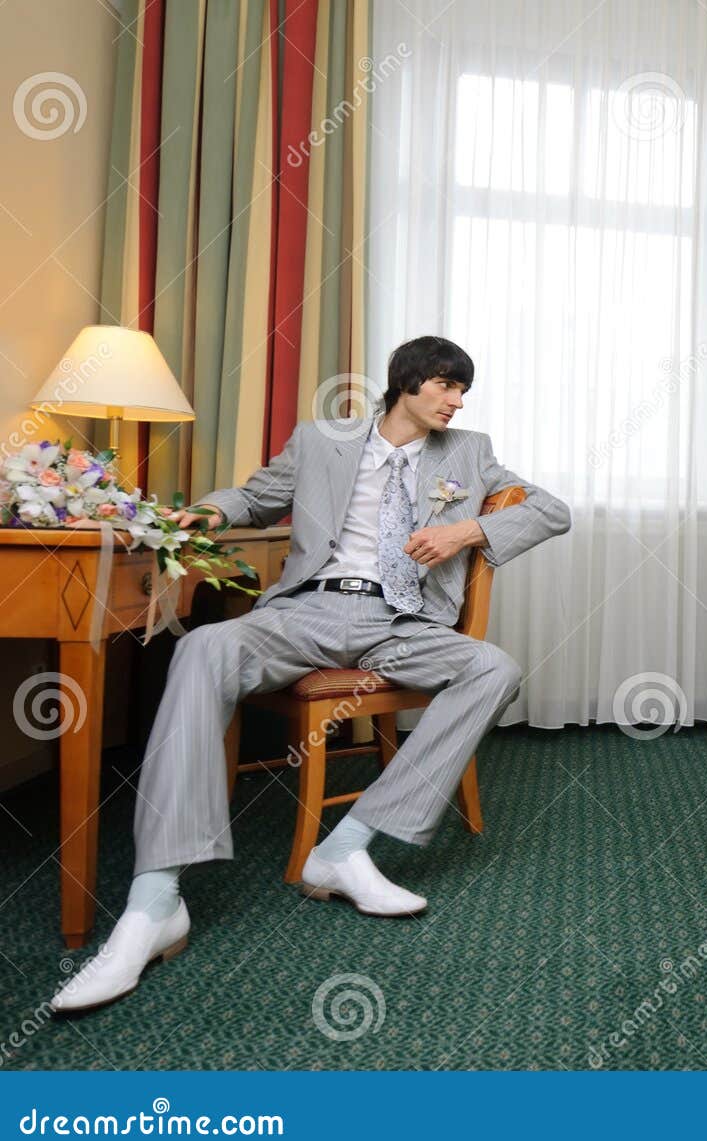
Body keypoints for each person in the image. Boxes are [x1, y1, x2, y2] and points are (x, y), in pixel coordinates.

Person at [53, 336, 571, 1012]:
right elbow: (253, 497)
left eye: (462, 389)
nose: (458, 399)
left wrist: (464, 532)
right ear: (408, 382)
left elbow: (552, 509)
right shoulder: (322, 439)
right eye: (446, 384)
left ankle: (347, 846)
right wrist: (205, 513)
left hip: (402, 620)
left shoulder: (470, 451)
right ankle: (154, 905)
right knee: (203, 647)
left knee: (493, 668)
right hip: (310, 610)